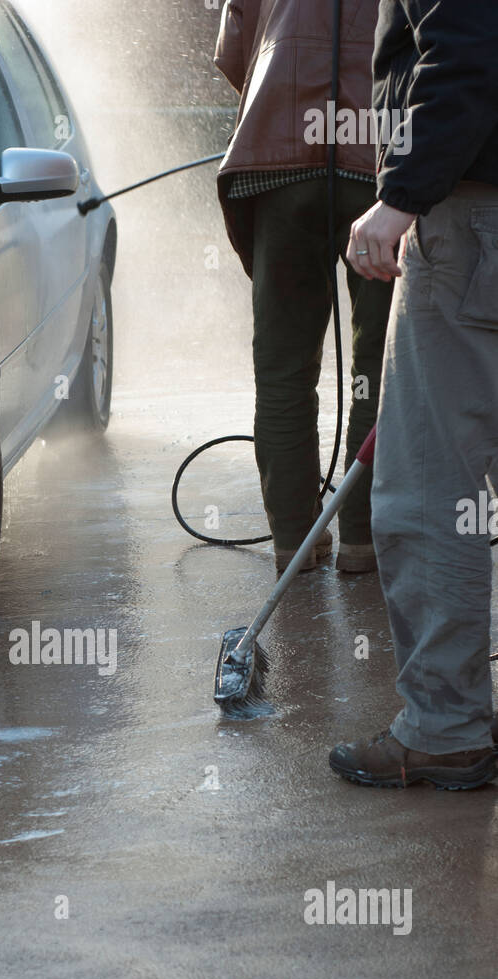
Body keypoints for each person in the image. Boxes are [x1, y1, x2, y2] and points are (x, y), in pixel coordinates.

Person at [330, 0, 498, 790]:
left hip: (470, 219)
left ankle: (444, 729)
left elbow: (467, 50)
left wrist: (401, 197)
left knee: (432, 487)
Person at [215, 0, 392, 575]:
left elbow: (233, 50)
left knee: (284, 367)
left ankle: (295, 543)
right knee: (380, 364)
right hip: (383, 164)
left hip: (278, 154)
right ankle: (364, 542)